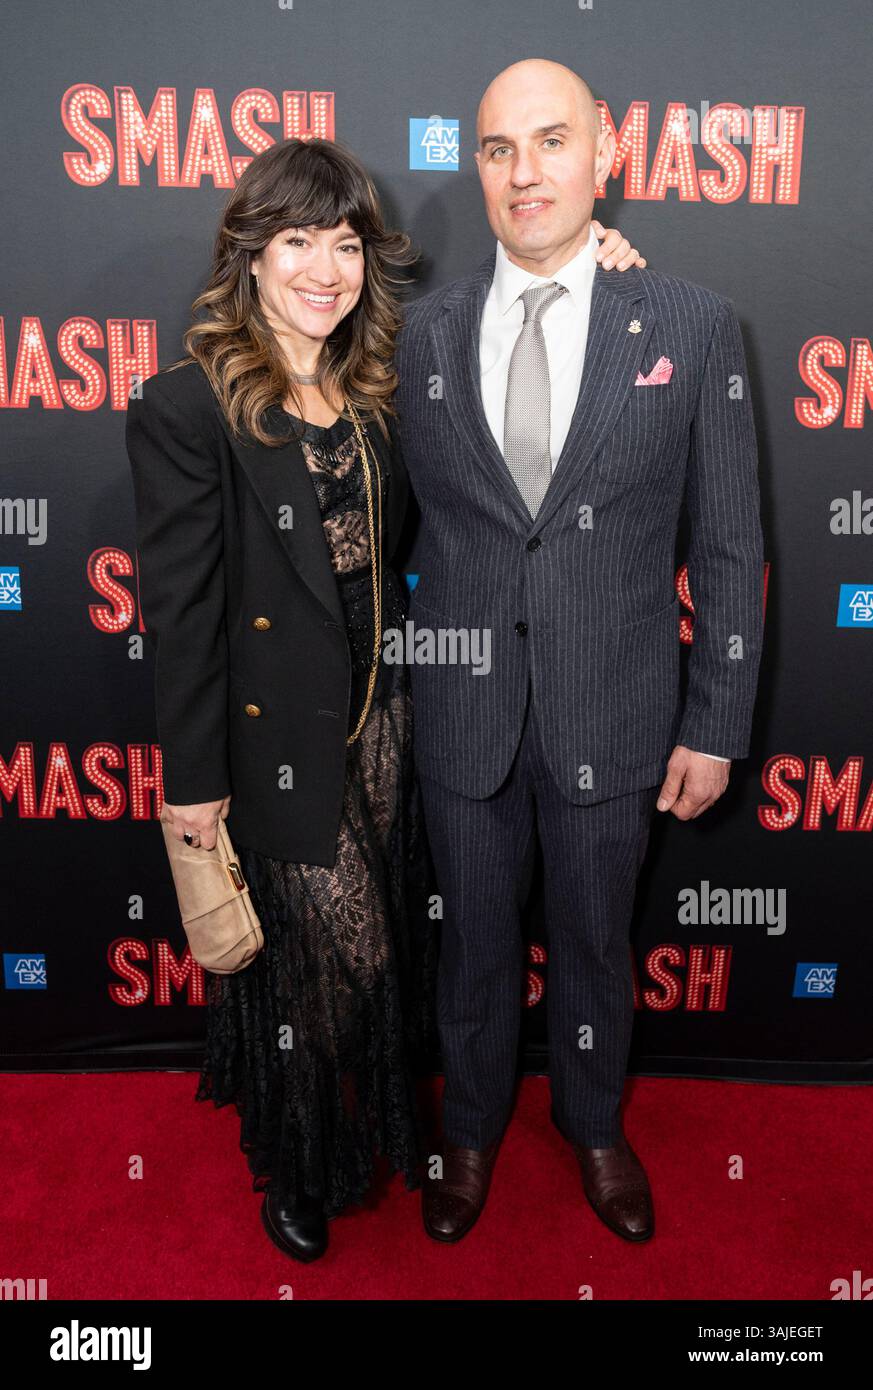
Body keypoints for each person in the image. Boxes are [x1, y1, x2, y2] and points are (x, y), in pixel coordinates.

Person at [125, 134, 645, 1262]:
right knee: (329, 966)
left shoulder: (383, 384)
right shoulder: (189, 405)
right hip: (277, 747)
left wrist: (587, 262)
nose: (325, 265)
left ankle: (354, 1139)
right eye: (296, 240)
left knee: (376, 961)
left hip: (389, 724)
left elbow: (515, 339)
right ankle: (298, 1167)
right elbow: (179, 622)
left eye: (345, 240)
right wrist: (195, 791)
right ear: (250, 255)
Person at [394, 60, 765, 1245]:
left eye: (551, 142)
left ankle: (594, 1123)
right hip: (463, 713)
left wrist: (716, 721)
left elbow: (730, 541)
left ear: (603, 155)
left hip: (619, 707)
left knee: (603, 939)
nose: (525, 170)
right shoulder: (417, 335)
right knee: (474, 943)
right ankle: (471, 1126)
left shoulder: (695, 325)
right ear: (480, 167)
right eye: (499, 149)